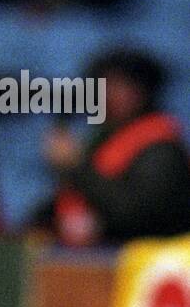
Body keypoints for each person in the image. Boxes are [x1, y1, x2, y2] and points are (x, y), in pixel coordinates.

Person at [36, 48, 190, 246]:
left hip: (149, 265)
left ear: (142, 92)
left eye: (116, 87)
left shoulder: (162, 149)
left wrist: (76, 166)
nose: (106, 95)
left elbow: (136, 216)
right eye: (101, 86)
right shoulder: (103, 137)